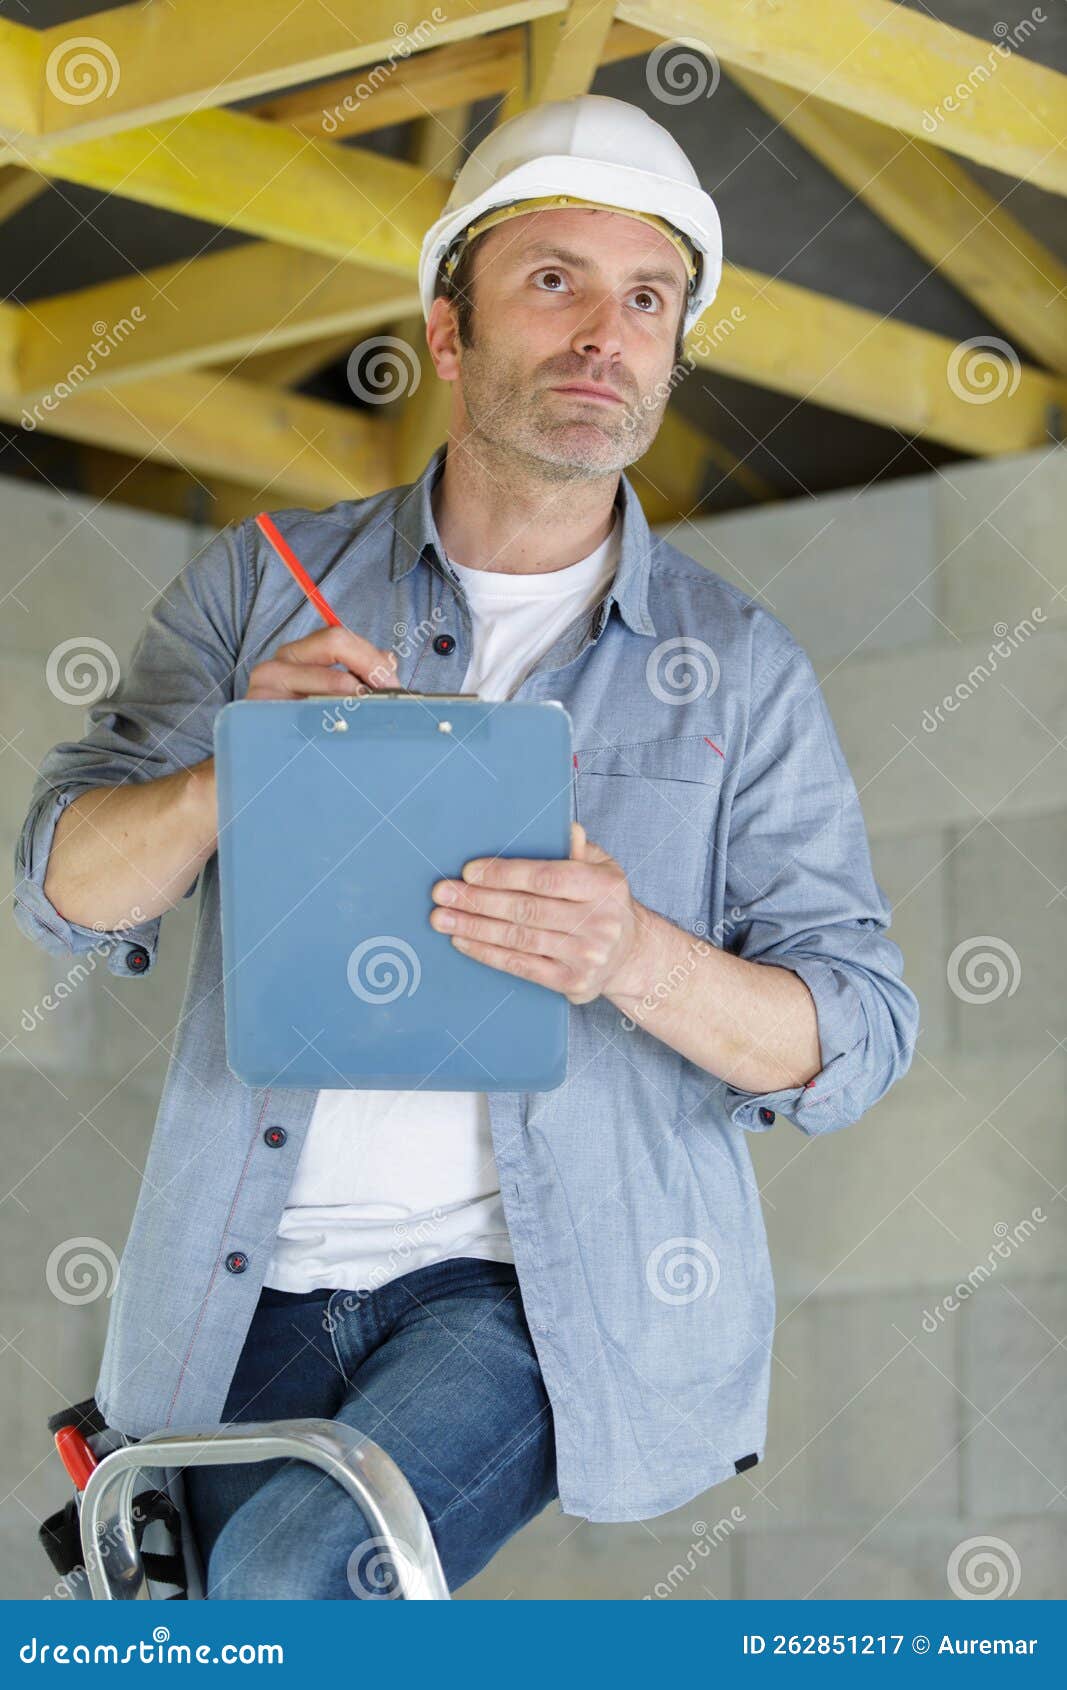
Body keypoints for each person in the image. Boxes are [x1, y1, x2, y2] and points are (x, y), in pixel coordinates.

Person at [13, 94, 919, 1599]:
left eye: (647, 301)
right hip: (238, 1290)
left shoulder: (739, 669)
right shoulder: (262, 591)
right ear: (448, 333)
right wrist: (230, 773)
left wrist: (633, 955)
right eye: (552, 281)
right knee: (173, 1638)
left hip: (523, 1299)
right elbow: (57, 887)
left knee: (294, 1585)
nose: (604, 336)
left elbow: (864, 1031)